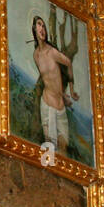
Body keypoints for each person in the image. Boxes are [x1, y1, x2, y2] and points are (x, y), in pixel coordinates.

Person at [32, 15, 78, 153]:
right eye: (39, 25)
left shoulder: (52, 52)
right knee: (50, 150)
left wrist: (71, 91)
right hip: (47, 104)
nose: (42, 28)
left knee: (63, 148)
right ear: (34, 29)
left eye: (44, 26)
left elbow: (68, 63)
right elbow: (47, 79)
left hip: (60, 105)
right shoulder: (36, 55)